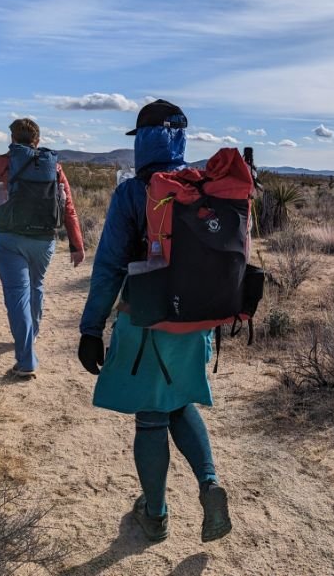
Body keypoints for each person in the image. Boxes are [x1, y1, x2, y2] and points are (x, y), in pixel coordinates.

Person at [77, 99, 231, 544]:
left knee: (150, 417)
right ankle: (208, 482)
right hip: (195, 318)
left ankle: (156, 514)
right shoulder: (202, 187)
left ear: (143, 140)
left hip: (144, 318)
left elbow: (108, 267)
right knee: (180, 402)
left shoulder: (132, 193)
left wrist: (91, 328)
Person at [0, 117, 85, 377]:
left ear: (12, 139)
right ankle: (30, 335)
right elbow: (68, 207)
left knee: (17, 294)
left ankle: (26, 361)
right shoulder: (53, 166)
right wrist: (77, 244)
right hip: (44, 240)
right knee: (36, 287)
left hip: (9, 239)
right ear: (38, 140)